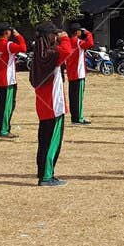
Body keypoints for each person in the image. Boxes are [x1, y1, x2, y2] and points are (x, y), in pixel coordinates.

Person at [30, 23, 76, 186]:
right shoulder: (51, 54)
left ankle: (43, 172)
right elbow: (66, 51)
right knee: (52, 141)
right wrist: (64, 38)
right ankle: (47, 176)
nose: (56, 37)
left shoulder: (41, 53)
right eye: (54, 35)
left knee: (44, 140)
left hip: (44, 105)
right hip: (53, 105)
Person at [0, 24, 27, 137]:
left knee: (2, 105)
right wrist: (19, 36)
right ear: (6, 32)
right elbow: (23, 48)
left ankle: (3, 128)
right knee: (7, 106)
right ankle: (4, 130)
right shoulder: (8, 44)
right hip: (8, 81)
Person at [65, 21, 94, 125]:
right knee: (79, 97)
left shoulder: (68, 41)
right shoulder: (77, 42)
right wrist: (88, 33)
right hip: (79, 73)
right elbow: (90, 43)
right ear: (77, 32)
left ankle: (74, 117)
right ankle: (79, 118)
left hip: (71, 73)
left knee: (73, 97)